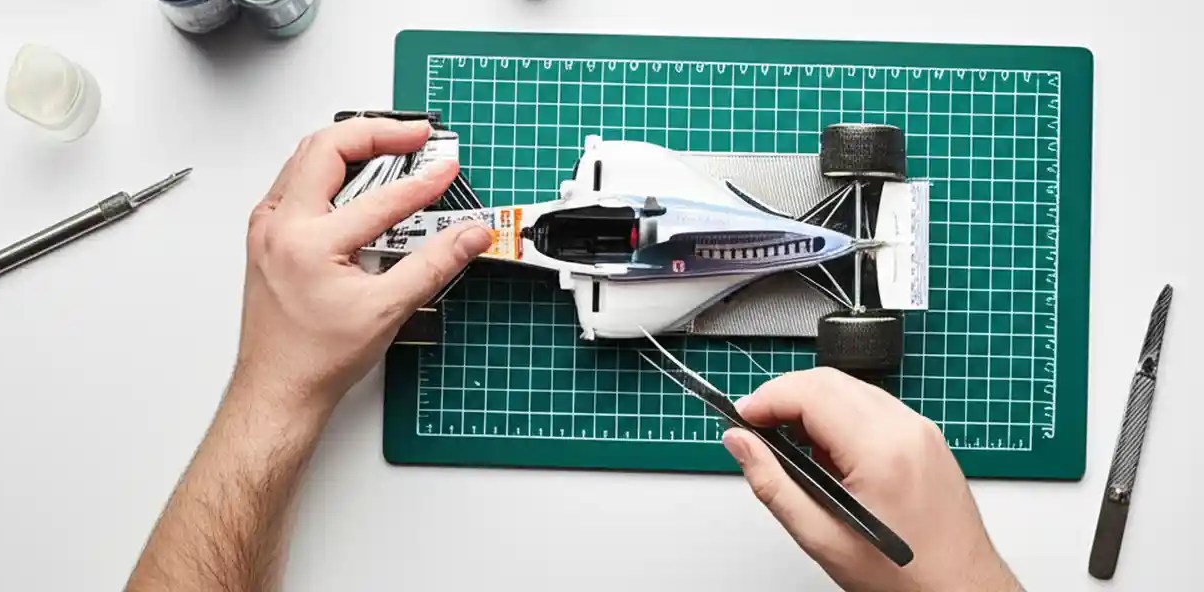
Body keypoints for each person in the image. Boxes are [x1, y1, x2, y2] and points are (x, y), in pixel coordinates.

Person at [124, 118, 1023, 592]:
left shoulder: (623, 177)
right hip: (627, 271)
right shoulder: (593, 265)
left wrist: (271, 390)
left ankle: (828, 249)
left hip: (682, 220)